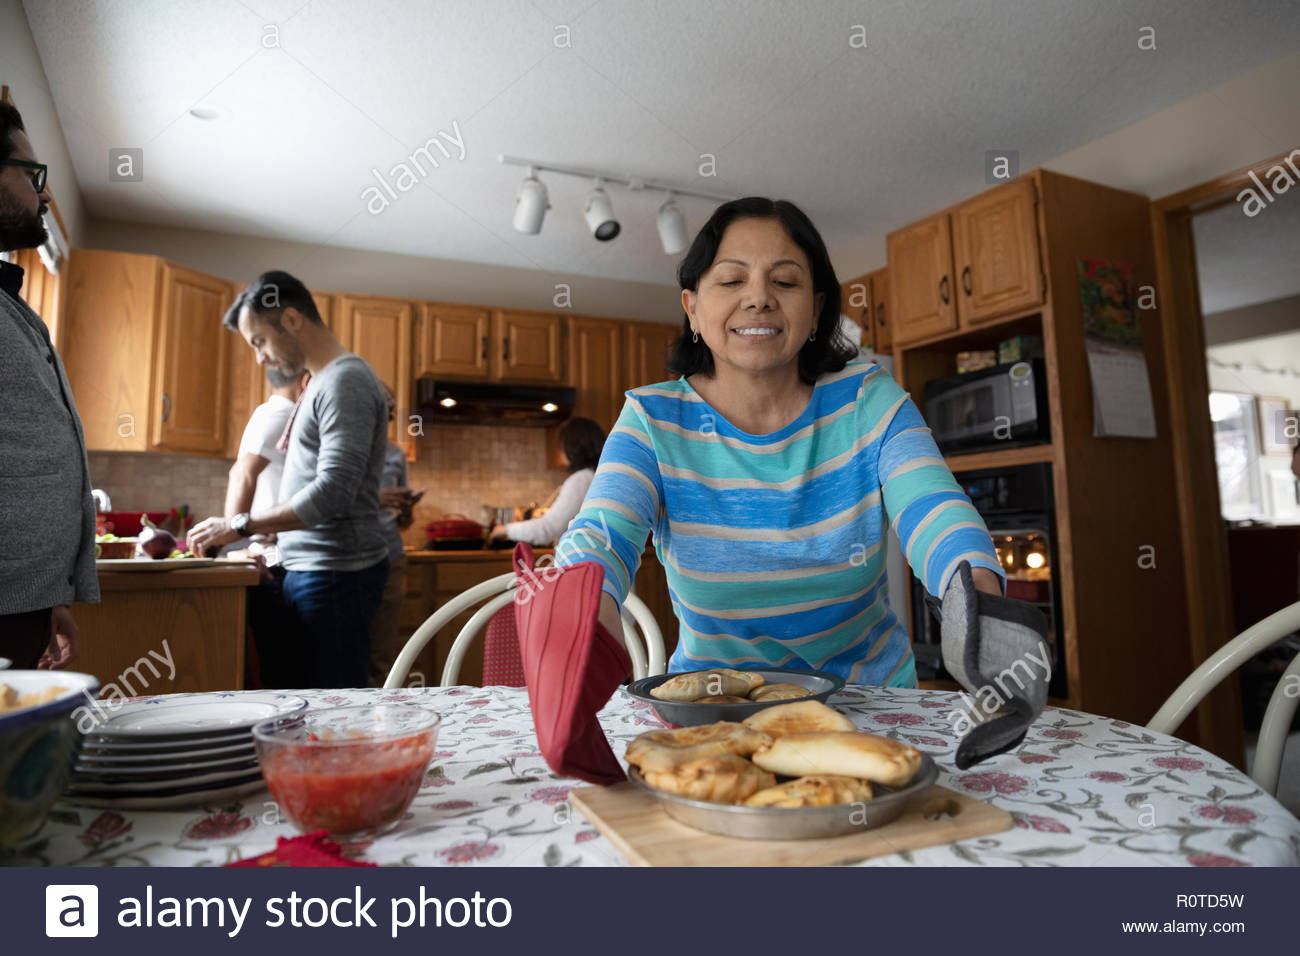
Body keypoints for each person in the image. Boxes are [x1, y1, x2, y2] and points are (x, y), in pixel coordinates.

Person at [555, 198, 1005, 686]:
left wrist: (982, 609)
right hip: (717, 709)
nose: (759, 297)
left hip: (871, 708)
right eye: (731, 280)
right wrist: (582, 607)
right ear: (693, 308)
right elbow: (602, 534)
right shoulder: (651, 420)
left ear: (815, 311)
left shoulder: (867, 401)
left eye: (785, 281)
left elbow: (938, 514)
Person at [187, 271, 390, 688]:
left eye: (259, 341)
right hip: (316, 570)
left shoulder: (344, 380)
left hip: (334, 575)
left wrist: (239, 526)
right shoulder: (321, 384)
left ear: (293, 320)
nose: (259, 358)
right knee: (308, 709)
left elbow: (333, 492)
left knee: (330, 713)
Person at [0, 102, 97, 670]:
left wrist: (44, 595)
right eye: (33, 175)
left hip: (22, 608)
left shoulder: (12, 306)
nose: (46, 196)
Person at [222, 365, 309, 688]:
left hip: (276, 557)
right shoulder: (281, 415)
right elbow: (242, 473)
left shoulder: (276, 413)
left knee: (282, 670)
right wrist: (234, 533)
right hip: (276, 561)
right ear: (306, 381)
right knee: (285, 674)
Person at [368, 384, 424, 687]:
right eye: (385, 408)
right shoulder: (343, 447)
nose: (390, 416)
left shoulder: (396, 454)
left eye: (392, 411)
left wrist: (406, 508)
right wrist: (377, 498)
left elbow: (403, 520)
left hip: (390, 556)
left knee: (381, 657)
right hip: (348, 561)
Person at [487, 416, 605, 546]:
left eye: (562, 446)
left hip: (583, 559)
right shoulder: (597, 477)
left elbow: (548, 528)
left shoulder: (581, 480)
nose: (561, 452)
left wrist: (505, 529)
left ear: (573, 447)